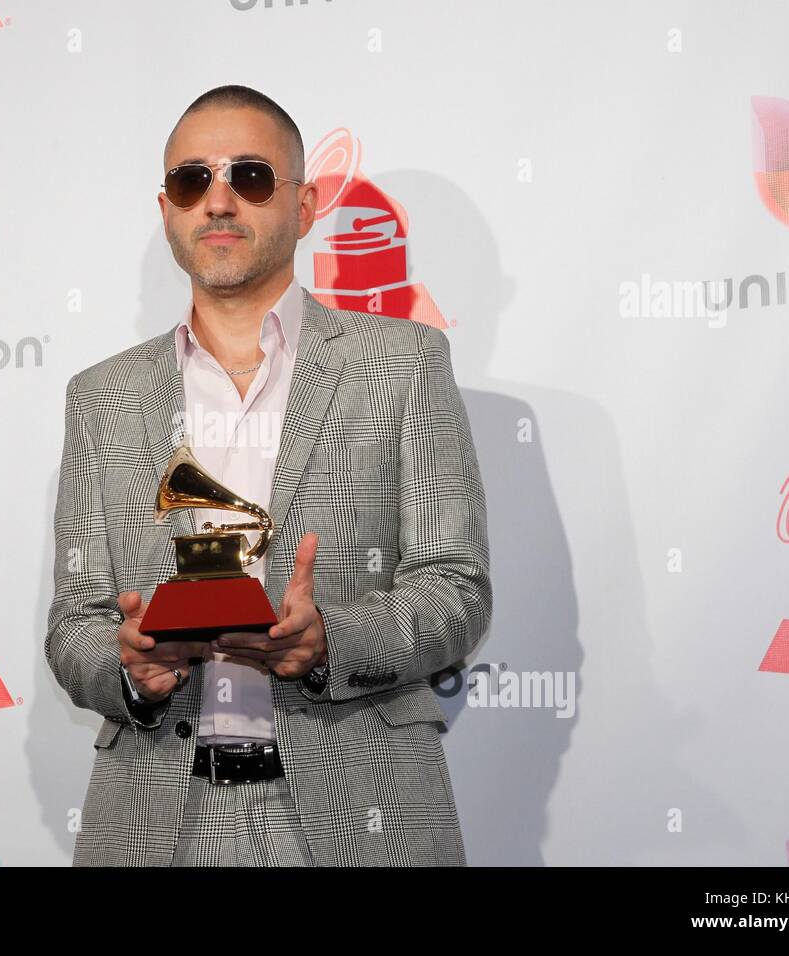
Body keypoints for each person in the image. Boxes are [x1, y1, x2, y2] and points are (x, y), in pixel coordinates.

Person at [46, 84, 493, 866]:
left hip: (358, 810)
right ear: (167, 210)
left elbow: (455, 588)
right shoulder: (100, 397)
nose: (218, 201)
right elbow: (75, 623)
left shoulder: (404, 366)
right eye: (192, 181)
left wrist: (330, 640)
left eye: (249, 177)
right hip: (159, 822)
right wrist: (130, 669)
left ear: (306, 203)